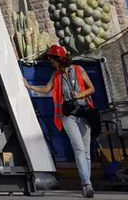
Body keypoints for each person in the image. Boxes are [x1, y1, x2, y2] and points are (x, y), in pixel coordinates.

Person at [25, 44, 96, 198]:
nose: (51, 63)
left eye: (52, 60)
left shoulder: (78, 70)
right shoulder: (56, 75)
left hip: (83, 114)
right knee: (79, 149)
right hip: (67, 116)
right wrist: (28, 86)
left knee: (86, 152)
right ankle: (86, 184)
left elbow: (92, 88)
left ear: (59, 59)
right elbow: (46, 89)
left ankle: (86, 182)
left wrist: (80, 94)